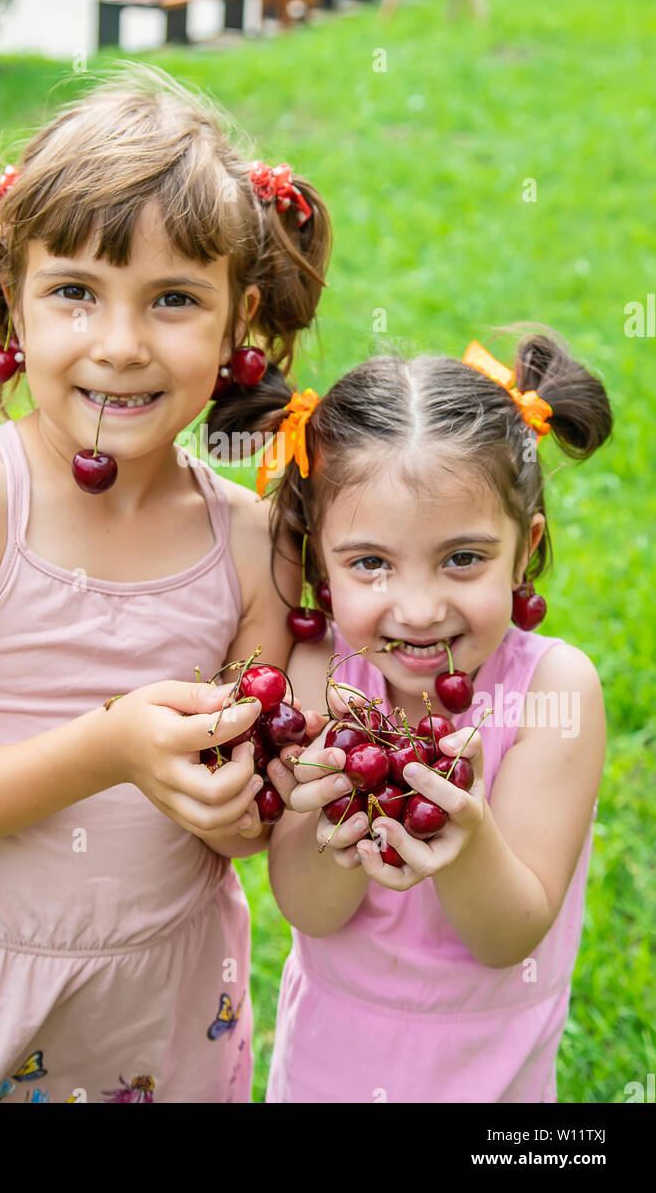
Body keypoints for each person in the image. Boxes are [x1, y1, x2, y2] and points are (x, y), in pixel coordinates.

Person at [0, 62, 331, 1103]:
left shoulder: (253, 542)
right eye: (76, 292)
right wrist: (108, 748)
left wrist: (241, 804)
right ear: (13, 298)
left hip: (173, 998)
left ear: (236, 321)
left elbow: (240, 814)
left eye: (172, 300)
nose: (120, 345)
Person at [209, 327, 612, 1103]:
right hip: (335, 1058)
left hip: (490, 1070)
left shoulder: (554, 691)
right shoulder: (321, 674)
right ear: (321, 562)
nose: (421, 610)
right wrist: (339, 811)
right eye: (371, 563)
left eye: (463, 559)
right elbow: (310, 911)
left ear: (522, 551)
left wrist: (465, 838)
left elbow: (509, 937)